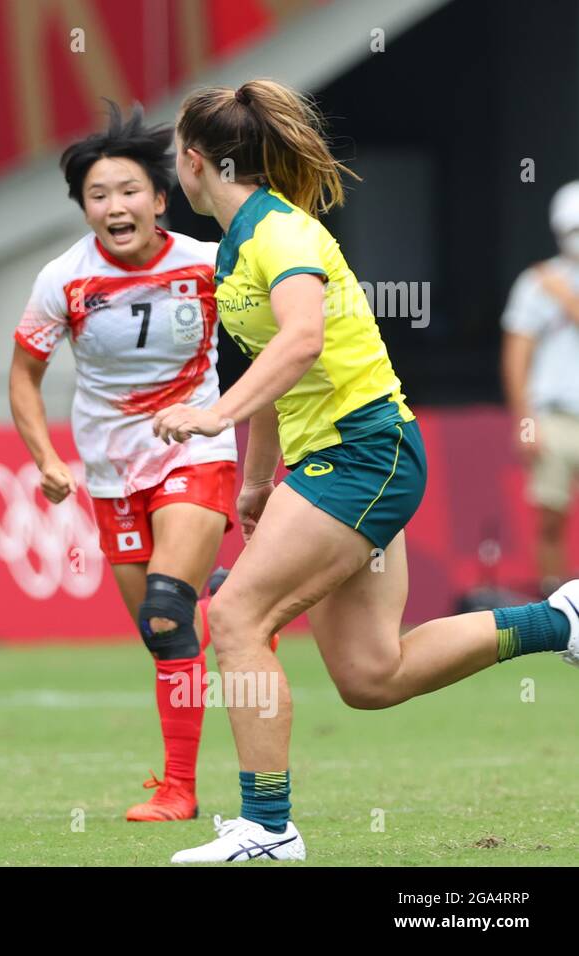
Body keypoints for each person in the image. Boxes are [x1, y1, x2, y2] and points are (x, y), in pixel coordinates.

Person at [154, 80, 578, 862]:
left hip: (364, 454)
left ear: (192, 161)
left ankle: (268, 829)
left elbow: (302, 341)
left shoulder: (278, 235)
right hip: (343, 460)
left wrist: (211, 417)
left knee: (238, 618)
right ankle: (562, 621)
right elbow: (273, 374)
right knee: (371, 675)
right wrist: (254, 480)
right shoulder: (237, 247)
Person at [10, 102, 238, 822]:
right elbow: (22, 375)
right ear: (83, 208)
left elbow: (281, 337)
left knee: (168, 611)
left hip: (196, 450)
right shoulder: (63, 280)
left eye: (129, 191)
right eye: (98, 196)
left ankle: (178, 789)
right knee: (162, 635)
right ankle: (223, 590)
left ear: (161, 199)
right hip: (110, 471)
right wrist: (45, 456)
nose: (115, 206)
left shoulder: (209, 265)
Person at [501, 180, 579, 596]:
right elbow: (517, 355)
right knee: (551, 515)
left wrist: (565, 297)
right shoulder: (535, 283)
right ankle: (558, 603)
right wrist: (524, 421)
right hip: (552, 414)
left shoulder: (551, 282)